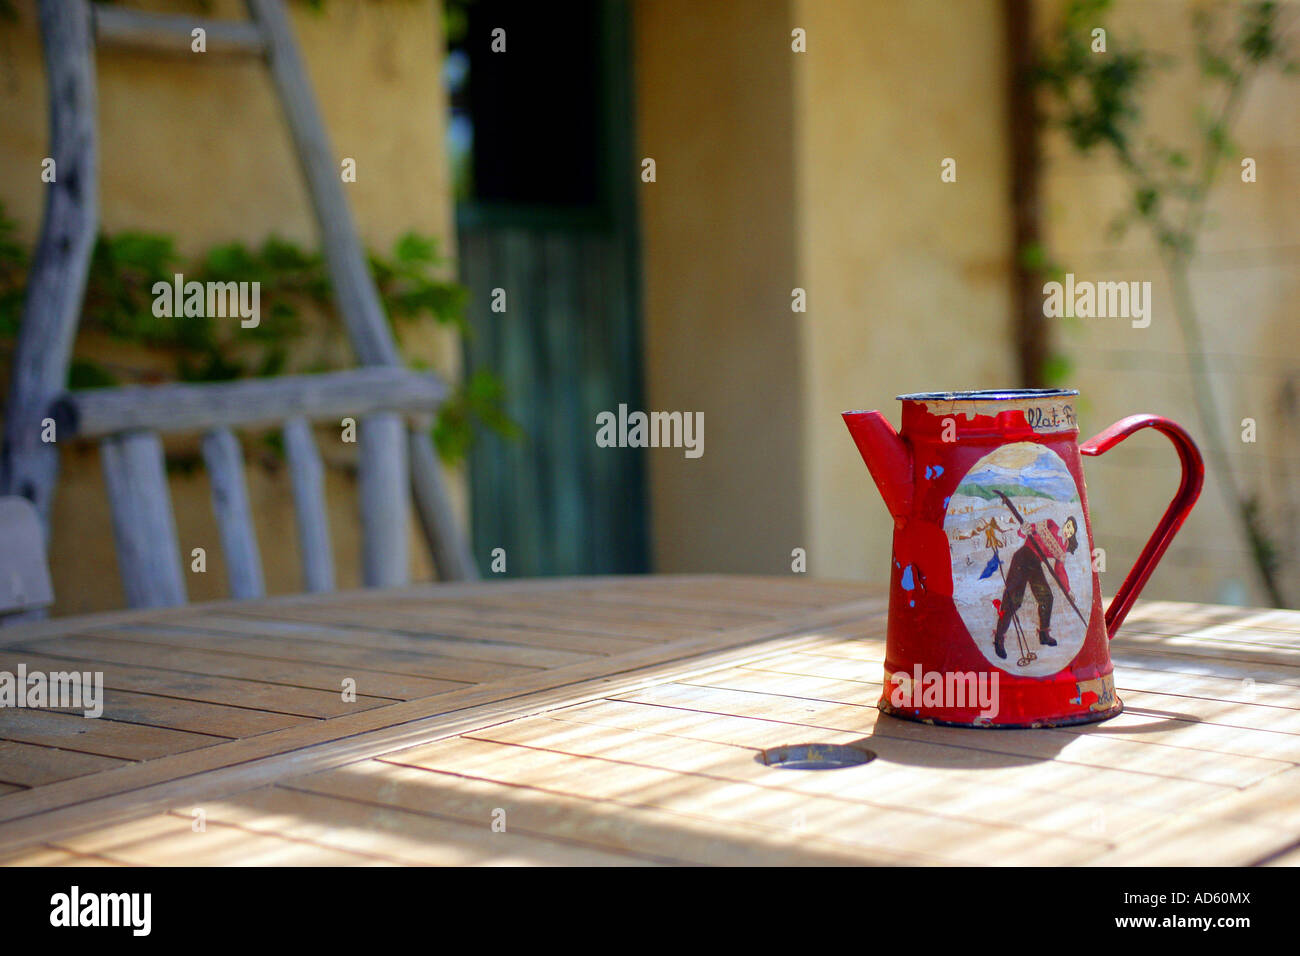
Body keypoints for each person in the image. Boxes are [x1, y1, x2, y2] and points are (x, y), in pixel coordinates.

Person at [992, 515, 1079, 660]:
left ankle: (1044, 634)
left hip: (1034, 564)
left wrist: (1068, 590)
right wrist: (1023, 530)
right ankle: (999, 638)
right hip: (1023, 556)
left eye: (1071, 532)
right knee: (1013, 601)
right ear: (1065, 524)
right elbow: (1030, 529)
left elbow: (1060, 570)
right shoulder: (1051, 525)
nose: (1068, 531)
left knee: (1046, 597)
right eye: (1068, 526)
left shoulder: (1062, 547)